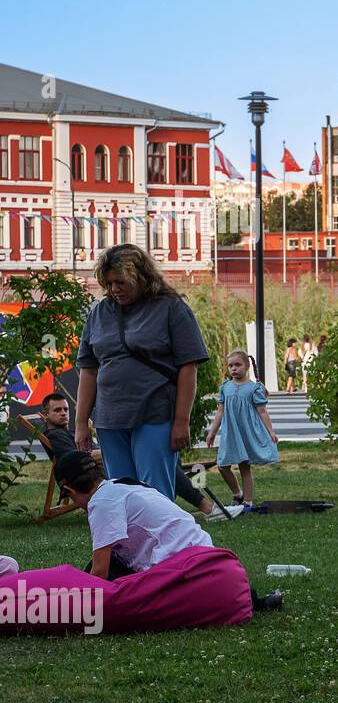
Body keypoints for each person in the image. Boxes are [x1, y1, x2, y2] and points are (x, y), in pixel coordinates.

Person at [53, 451, 281, 608]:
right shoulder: (122, 485)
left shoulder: (101, 502)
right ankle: (251, 599)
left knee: (97, 579)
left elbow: (99, 573)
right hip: (206, 555)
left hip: (177, 570)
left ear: (69, 489)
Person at [74, 244, 208, 501]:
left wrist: (181, 421)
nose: (115, 289)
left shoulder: (171, 307)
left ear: (142, 277)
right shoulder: (99, 313)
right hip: (110, 418)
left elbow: (188, 367)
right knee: (121, 493)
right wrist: (81, 424)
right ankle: (131, 542)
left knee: (155, 493)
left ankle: (162, 541)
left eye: (121, 282)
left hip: (154, 412)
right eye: (110, 283)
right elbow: (88, 371)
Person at [38, 392, 240, 522]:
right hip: (97, 475)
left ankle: (175, 511)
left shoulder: (69, 431)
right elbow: (74, 461)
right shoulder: (55, 435)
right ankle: (205, 508)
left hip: (104, 468)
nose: (64, 413)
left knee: (165, 461)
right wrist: (106, 452)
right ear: (44, 415)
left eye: (65, 409)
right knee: (161, 463)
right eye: (57, 410)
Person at [206, 351, 279, 506]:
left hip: (245, 432)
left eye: (237, 365)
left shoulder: (253, 388)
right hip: (230, 433)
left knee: (244, 467)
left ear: (247, 366)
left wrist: (271, 431)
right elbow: (221, 411)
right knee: (222, 465)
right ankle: (237, 493)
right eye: (230, 365)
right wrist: (212, 432)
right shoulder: (225, 387)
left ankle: (247, 501)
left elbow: (262, 411)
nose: (234, 368)